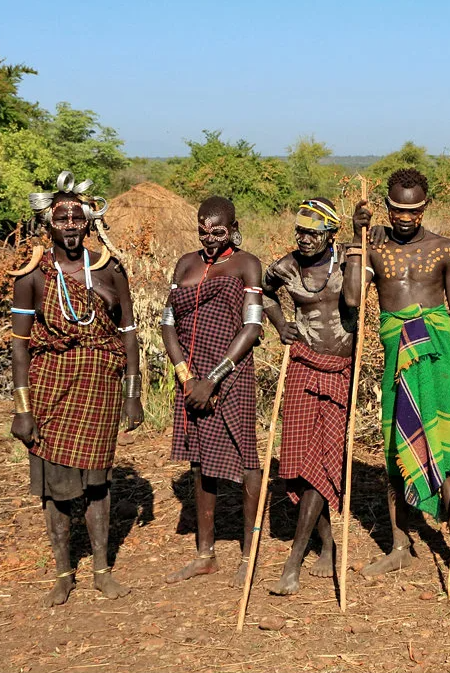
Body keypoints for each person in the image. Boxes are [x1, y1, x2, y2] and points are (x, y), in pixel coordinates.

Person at [9, 172, 141, 606]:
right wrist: (22, 408)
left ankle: (102, 569)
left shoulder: (109, 270)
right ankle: (64, 574)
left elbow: (128, 332)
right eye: (61, 218)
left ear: (89, 223)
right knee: (57, 488)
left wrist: (133, 394)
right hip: (50, 393)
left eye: (77, 218)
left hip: (100, 390)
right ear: (48, 223)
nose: (70, 225)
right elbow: (21, 346)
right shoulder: (31, 276)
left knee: (98, 484)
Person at [353, 168, 450, 578]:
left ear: (425, 207)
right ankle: (400, 543)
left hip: (441, 360)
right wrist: (357, 244)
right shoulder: (373, 247)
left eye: (413, 209)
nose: (404, 217)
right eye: (396, 209)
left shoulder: (445, 249)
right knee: (396, 449)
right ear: (387, 207)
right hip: (398, 363)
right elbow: (354, 299)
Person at [162, 196, 265, 587]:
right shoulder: (185, 264)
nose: (209, 238)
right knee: (200, 459)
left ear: (233, 227)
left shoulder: (246, 264)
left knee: (245, 458)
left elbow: (251, 328)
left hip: (231, 373)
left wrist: (214, 378)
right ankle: (205, 554)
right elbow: (167, 322)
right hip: (190, 376)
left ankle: (248, 553)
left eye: (217, 231)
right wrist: (186, 376)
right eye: (202, 230)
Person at [262, 198, 363, 594]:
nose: (303, 239)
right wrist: (280, 324)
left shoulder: (347, 262)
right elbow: (264, 293)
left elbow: (354, 300)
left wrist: (357, 241)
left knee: (325, 456)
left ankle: (294, 559)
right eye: (299, 232)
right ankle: (325, 544)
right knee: (303, 461)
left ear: (330, 235)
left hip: (340, 369)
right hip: (303, 364)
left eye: (312, 233)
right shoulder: (285, 267)